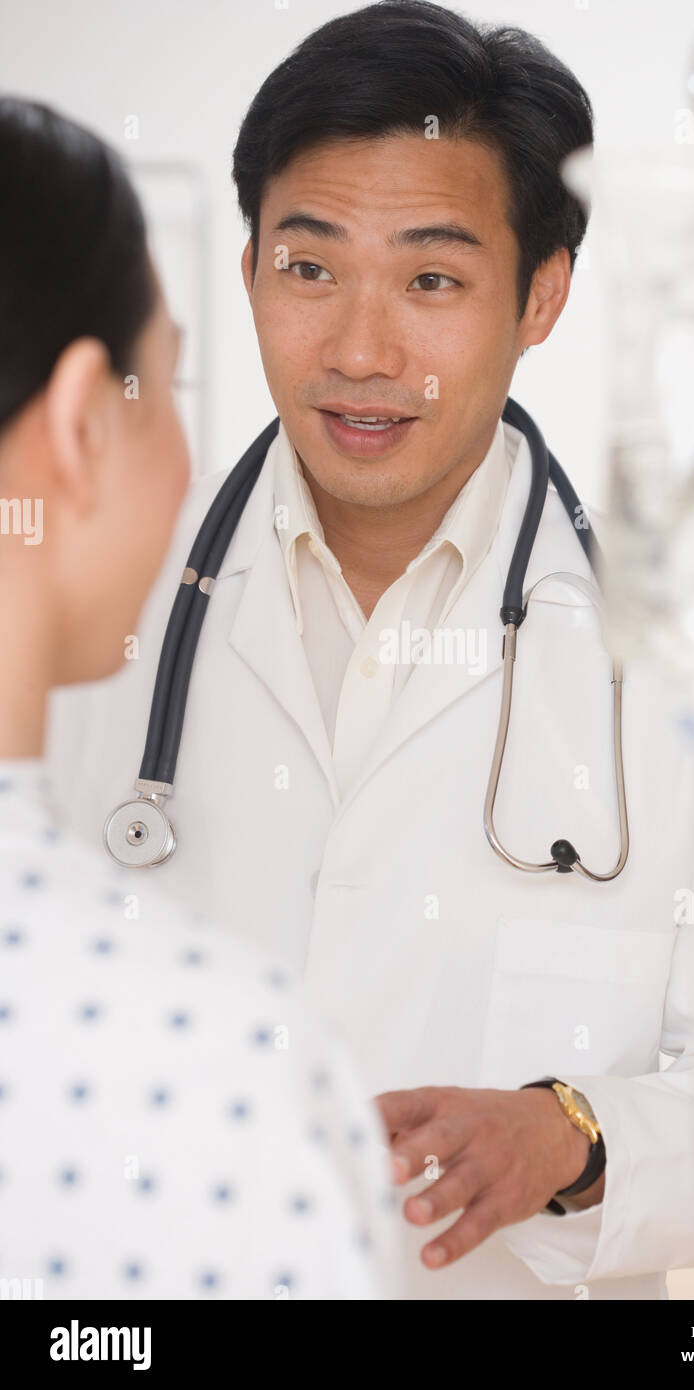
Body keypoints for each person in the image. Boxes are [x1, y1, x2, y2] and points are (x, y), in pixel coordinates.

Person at [46, 1, 694, 1299]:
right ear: (246, 267)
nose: (359, 352)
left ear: (540, 297)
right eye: (309, 268)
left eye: (429, 278)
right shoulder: (80, 596)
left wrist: (576, 1137)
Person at [0, 96, 397, 1300]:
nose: (362, 350)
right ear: (80, 427)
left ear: (541, 298)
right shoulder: (217, 1076)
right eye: (163, 381)